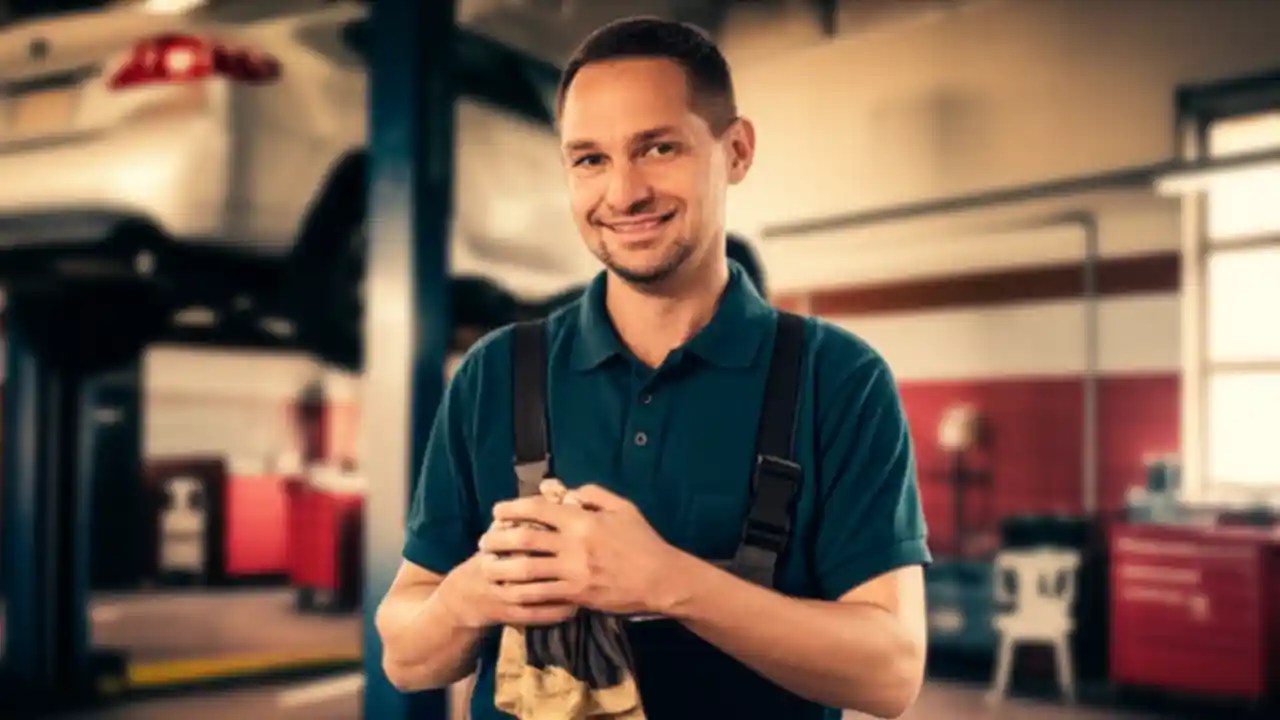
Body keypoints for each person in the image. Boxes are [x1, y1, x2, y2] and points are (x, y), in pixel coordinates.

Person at [376, 16, 931, 720]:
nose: (624, 193)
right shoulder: (495, 375)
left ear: (736, 151)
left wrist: (667, 581)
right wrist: (471, 595)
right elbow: (405, 656)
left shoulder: (837, 379)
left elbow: (891, 674)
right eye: (590, 160)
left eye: (658, 148)